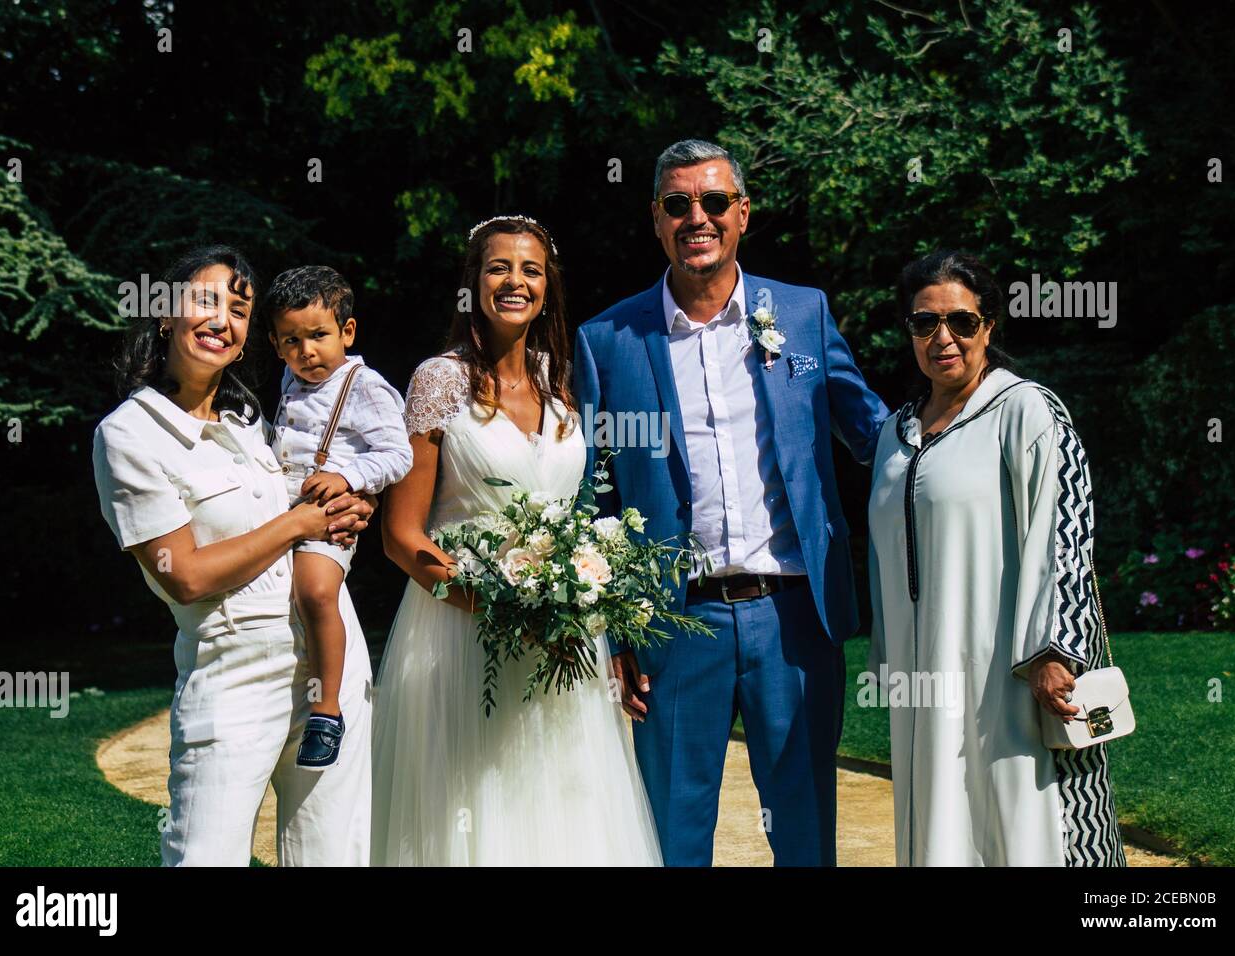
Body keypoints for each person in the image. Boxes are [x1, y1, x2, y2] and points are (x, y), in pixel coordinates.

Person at [573, 139, 889, 866]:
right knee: (673, 837)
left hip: (796, 618)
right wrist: (615, 631)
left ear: (742, 213)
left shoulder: (802, 315)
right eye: (678, 204)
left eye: (715, 202)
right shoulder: (608, 340)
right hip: (675, 623)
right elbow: (596, 494)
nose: (698, 218)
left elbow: (873, 434)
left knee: (805, 831)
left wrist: (962, 431)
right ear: (655, 218)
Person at [370, 216, 662, 865]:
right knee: (474, 810)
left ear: (547, 287)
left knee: (566, 805)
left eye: (530, 270)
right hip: (460, 634)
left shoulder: (561, 382)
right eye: (498, 267)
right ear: (473, 281)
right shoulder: (439, 381)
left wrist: (579, 596)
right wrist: (496, 605)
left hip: (565, 641)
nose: (515, 281)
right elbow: (399, 536)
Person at [91, 245, 377, 865]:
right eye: (206, 301)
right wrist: (297, 521)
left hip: (329, 667)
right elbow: (186, 576)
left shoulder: (256, 423)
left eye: (240, 310)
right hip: (233, 673)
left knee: (336, 855)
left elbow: (320, 498)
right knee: (205, 855)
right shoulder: (128, 434)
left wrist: (348, 505)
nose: (223, 319)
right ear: (164, 314)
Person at [866, 250, 1126, 866]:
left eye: (961, 321)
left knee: (1016, 820)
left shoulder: (1025, 410)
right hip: (921, 681)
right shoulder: (896, 432)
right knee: (938, 819)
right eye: (924, 323)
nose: (943, 338)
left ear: (989, 326)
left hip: (1008, 675)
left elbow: (1066, 527)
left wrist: (1051, 650)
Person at [264, 265, 412, 770]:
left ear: (347, 332)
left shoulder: (365, 386)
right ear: (275, 344)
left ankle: (326, 709)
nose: (306, 351)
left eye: (319, 336)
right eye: (291, 340)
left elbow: (397, 455)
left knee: (315, 590)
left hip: (327, 517)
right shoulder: (290, 381)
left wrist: (349, 478)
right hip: (278, 512)